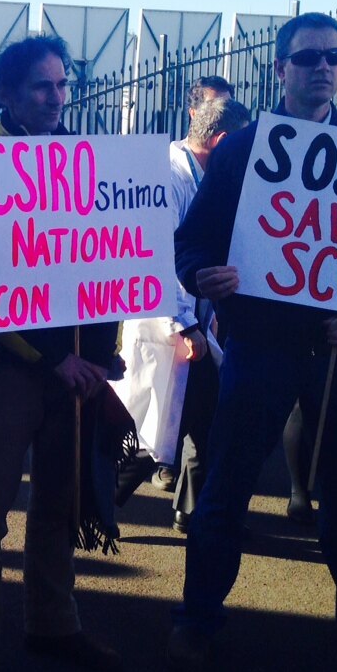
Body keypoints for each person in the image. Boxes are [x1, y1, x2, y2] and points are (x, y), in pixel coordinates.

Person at [165, 12, 337, 672]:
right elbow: (193, 242)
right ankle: (196, 622)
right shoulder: (242, 149)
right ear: (279, 68)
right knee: (227, 488)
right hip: (261, 347)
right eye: (308, 57)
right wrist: (204, 275)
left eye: (334, 57)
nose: (323, 67)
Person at [0, 35, 122, 672]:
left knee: (59, 502)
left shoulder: (87, 161)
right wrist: (55, 358)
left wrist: (101, 353)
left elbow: (110, 262)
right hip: (10, 369)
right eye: (42, 87)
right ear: (7, 96)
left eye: (63, 85)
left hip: (77, 369)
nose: (57, 97)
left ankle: (54, 624)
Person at [115, 80, 249, 532]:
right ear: (225, 142)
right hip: (168, 324)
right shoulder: (166, 176)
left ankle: (193, 514)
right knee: (151, 434)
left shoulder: (208, 176)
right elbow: (154, 256)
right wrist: (185, 324)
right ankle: (95, 502)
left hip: (198, 325)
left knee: (203, 421)